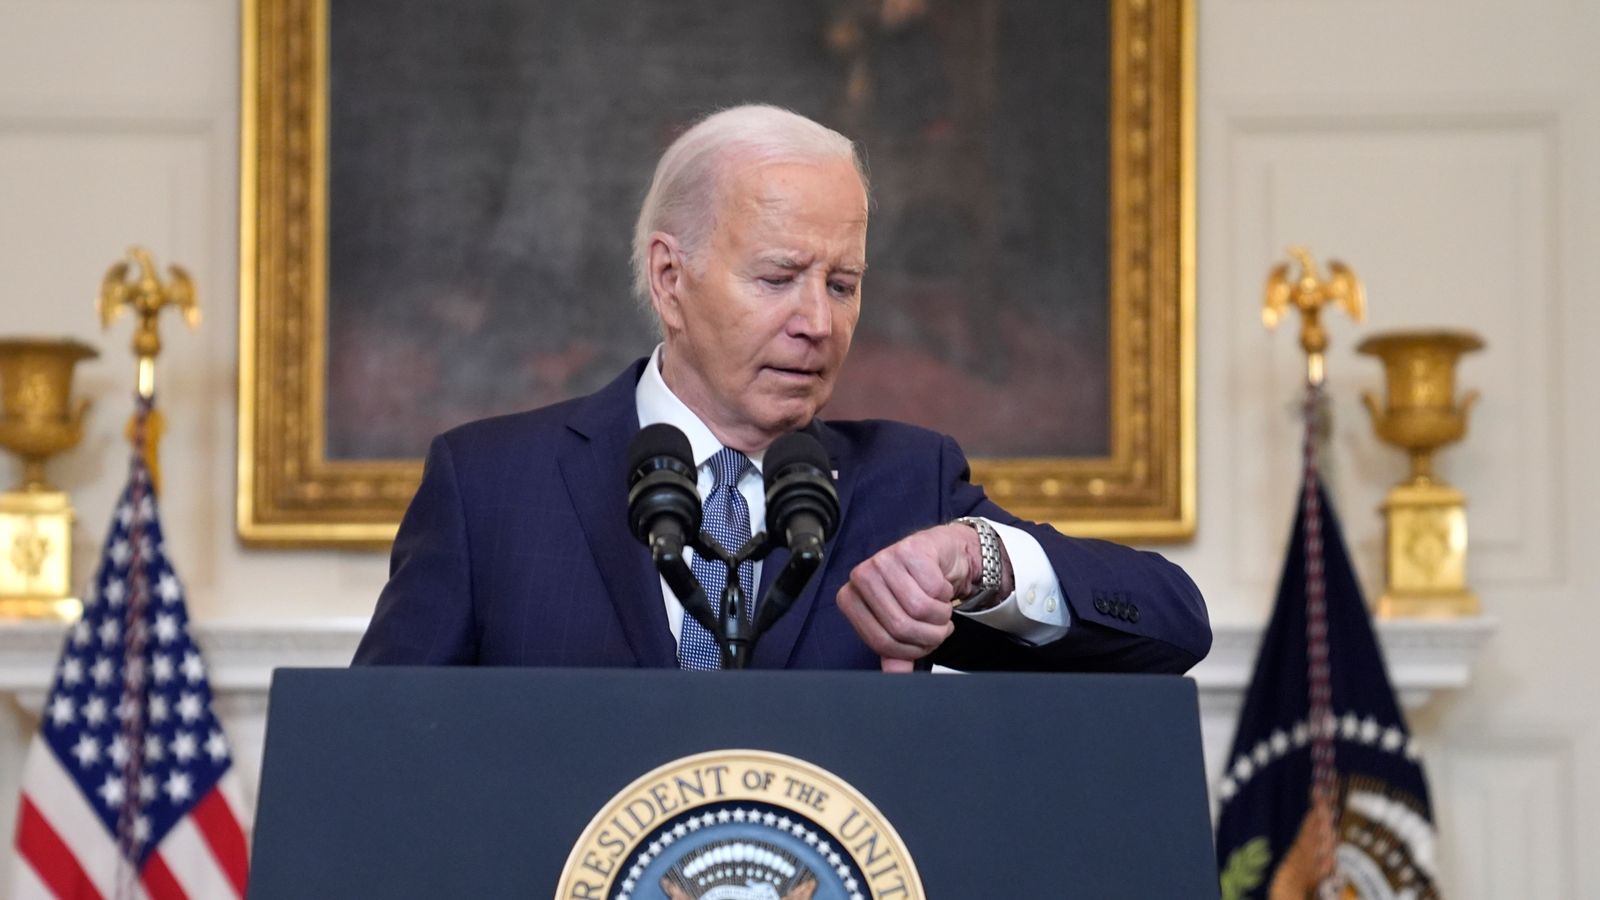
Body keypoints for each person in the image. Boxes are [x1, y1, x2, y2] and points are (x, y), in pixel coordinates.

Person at [353, 104, 1209, 673]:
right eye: (778, 277)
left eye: (842, 284)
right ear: (669, 278)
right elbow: (378, 754)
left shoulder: (902, 486)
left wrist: (976, 559)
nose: (819, 323)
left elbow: (1172, 627)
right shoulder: (492, 486)